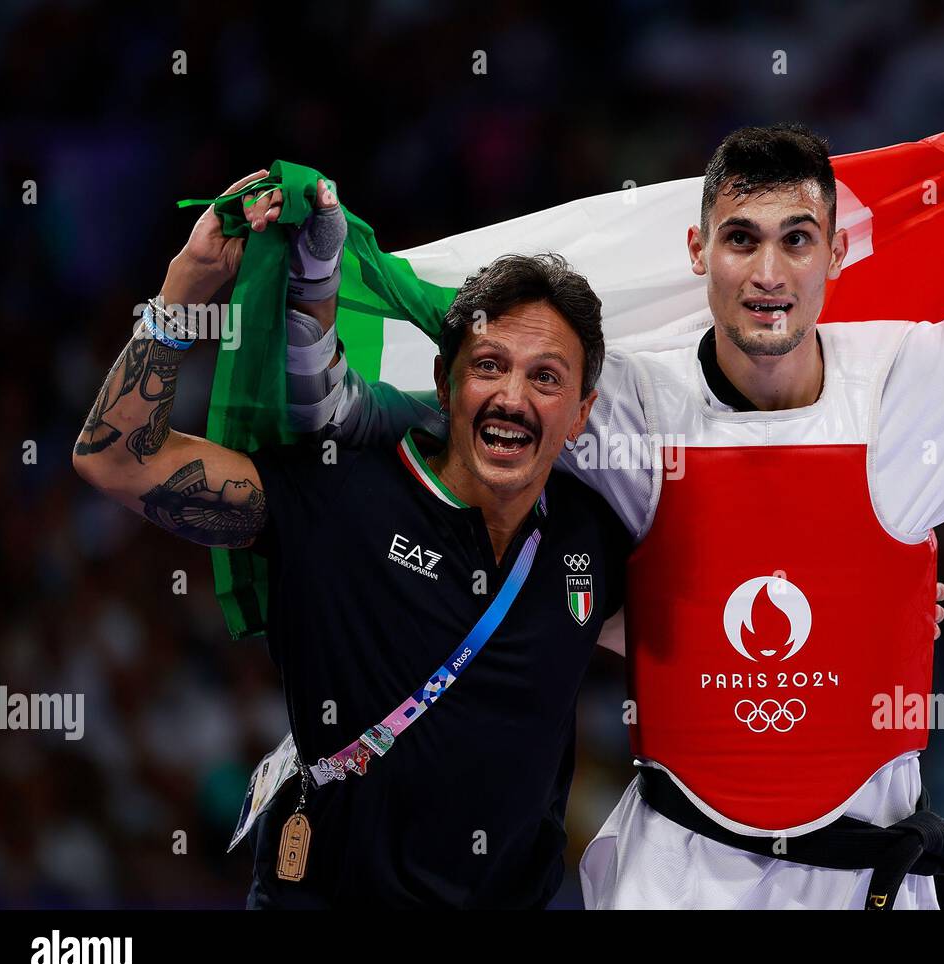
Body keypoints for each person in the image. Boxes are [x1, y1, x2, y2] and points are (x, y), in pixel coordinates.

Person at [291, 83, 944, 910]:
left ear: (838, 254)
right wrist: (309, 294)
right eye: (742, 240)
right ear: (699, 251)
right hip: (673, 878)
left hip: (866, 881)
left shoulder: (927, 383)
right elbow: (427, 417)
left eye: (798, 240)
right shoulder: (619, 396)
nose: (769, 274)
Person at [71, 170, 636, 907]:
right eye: (489, 366)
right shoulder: (341, 492)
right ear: (444, 380)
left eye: (546, 377)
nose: (511, 397)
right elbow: (114, 457)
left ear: (583, 410)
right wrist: (185, 288)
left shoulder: (589, 537)